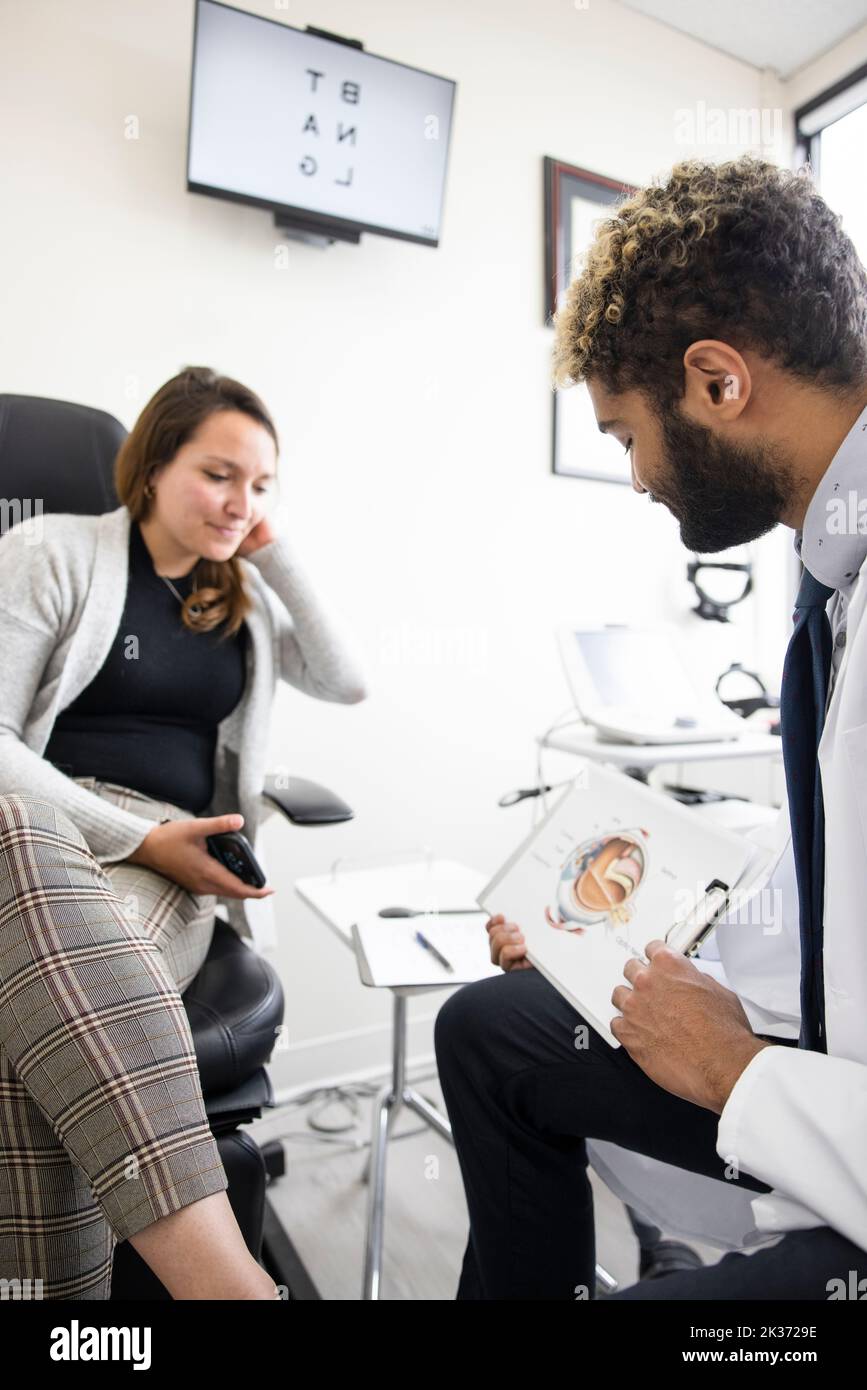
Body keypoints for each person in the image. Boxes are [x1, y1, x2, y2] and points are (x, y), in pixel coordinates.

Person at [434, 155, 867, 1300]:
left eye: (627, 437)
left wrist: (739, 1073)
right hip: (826, 1087)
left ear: (717, 381)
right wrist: (630, 927)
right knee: (496, 1029)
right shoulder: (838, 570)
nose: (635, 481)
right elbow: (843, 883)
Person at [0, 365, 367, 1299]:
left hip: (171, 857)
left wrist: (270, 549)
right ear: (154, 464)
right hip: (31, 826)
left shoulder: (238, 592)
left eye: (261, 483)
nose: (240, 502)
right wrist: (121, 829)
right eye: (217, 474)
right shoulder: (52, 550)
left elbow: (345, 678)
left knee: (36, 1026)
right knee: (24, 855)